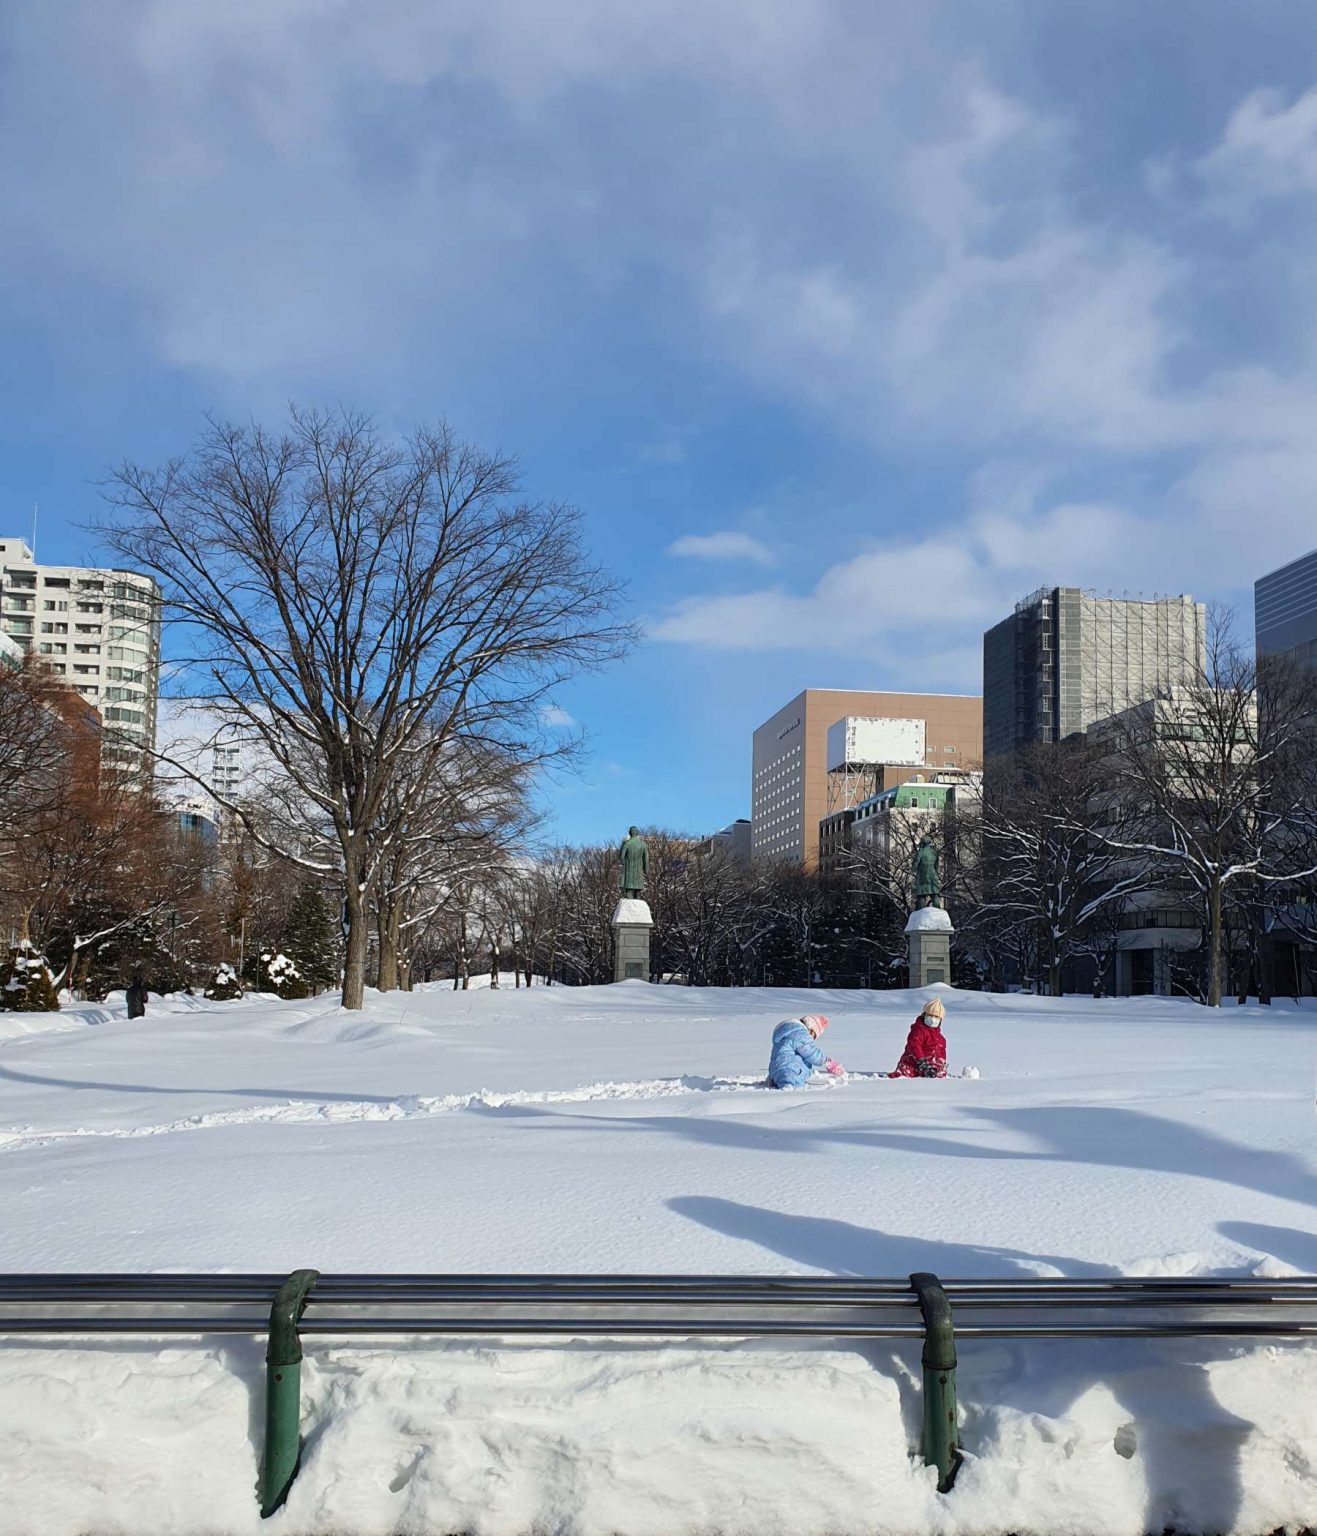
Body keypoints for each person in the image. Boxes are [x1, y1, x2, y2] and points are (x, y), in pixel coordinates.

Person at [767, 1014, 845, 1089]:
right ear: (811, 1030)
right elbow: (812, 1053)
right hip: (790, 1070)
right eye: (814, 1036)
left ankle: (777, 1083)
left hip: (775, 1071)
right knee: (790, 1089)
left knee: (784, 1082)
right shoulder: (800, 1034)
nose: (812, 1039)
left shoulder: (788, 1033)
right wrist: (828, 1062)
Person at [890, 996, 947, 1078]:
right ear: (924, 1015)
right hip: (912, 1063)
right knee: (904, 1074)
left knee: (939, 1075)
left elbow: (941, 1055)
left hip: (929, 1067)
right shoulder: (918, 1030)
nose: (933, 1019)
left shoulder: (941, 1039)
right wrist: (922, 1062)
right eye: (930, 1015)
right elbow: (914, 1045)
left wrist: (939, 1066)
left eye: (936, 1017)